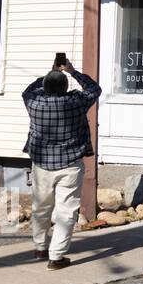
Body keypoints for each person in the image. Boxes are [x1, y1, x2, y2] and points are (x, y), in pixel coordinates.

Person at [22, 57, 101, 270]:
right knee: (66, 211)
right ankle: (56, 257)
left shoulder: (34, 102)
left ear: (45, 86)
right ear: (66, 88)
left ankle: (40, 247)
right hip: (70, 163)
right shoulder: (75, 102)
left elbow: (28, 91)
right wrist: (73, 71)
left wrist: (49, 74)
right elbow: (94, 89)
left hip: (41, 164)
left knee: (41, 207)